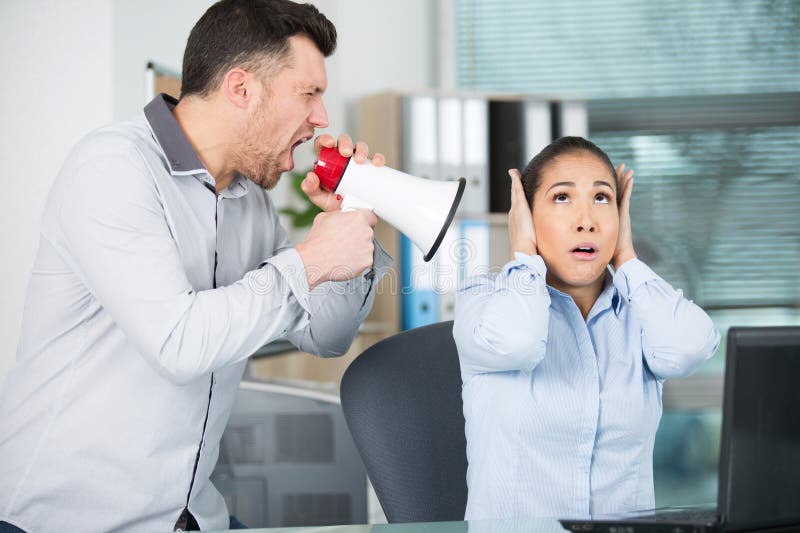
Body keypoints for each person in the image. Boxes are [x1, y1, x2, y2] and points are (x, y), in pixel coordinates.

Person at [0, 1, 392, 532]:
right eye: (309, 93)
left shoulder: (251, 201)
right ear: (241, 89)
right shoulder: (113, 168)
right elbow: (178, 343)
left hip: (189, 519)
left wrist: (352, 232)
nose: (321, 118)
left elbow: (326, 336)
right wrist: (311, 259)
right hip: (65, 521)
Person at [453, 136, 720, 520]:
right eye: (562, 198)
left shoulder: (639, 316)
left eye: (602, 199)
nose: (586, 221)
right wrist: (524, 253)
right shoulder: (483, 303)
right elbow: (519, 342)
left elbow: (690, 348)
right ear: (525, 214)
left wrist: (626, 257)